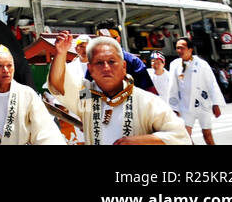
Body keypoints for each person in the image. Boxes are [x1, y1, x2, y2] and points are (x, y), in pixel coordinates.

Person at [48, 31, 188, 145]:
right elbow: (59, 86)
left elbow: (180, 138)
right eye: (99, 63)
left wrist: (143, 141)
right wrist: (60, 54)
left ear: (124, 66)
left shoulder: (147, 101)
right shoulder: (88, 95)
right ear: (90, 69)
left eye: (111, 62)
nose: (106, 68)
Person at [0, 46, 64, 145]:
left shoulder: (27, 94)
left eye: (9, 65)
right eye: (0, 66)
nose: (6, 70)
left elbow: (44, 130)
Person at [169, 38, 224, 145]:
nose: (179, 50)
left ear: (190, 49)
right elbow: (172, 88)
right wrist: (174, 107)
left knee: (207, 135)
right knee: (185, 137)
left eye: (182, 48)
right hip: (185, 105)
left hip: (203, 103)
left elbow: (212, 84)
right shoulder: (174, 65)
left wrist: (216, 104)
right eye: (177, 48)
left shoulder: (202, 64)